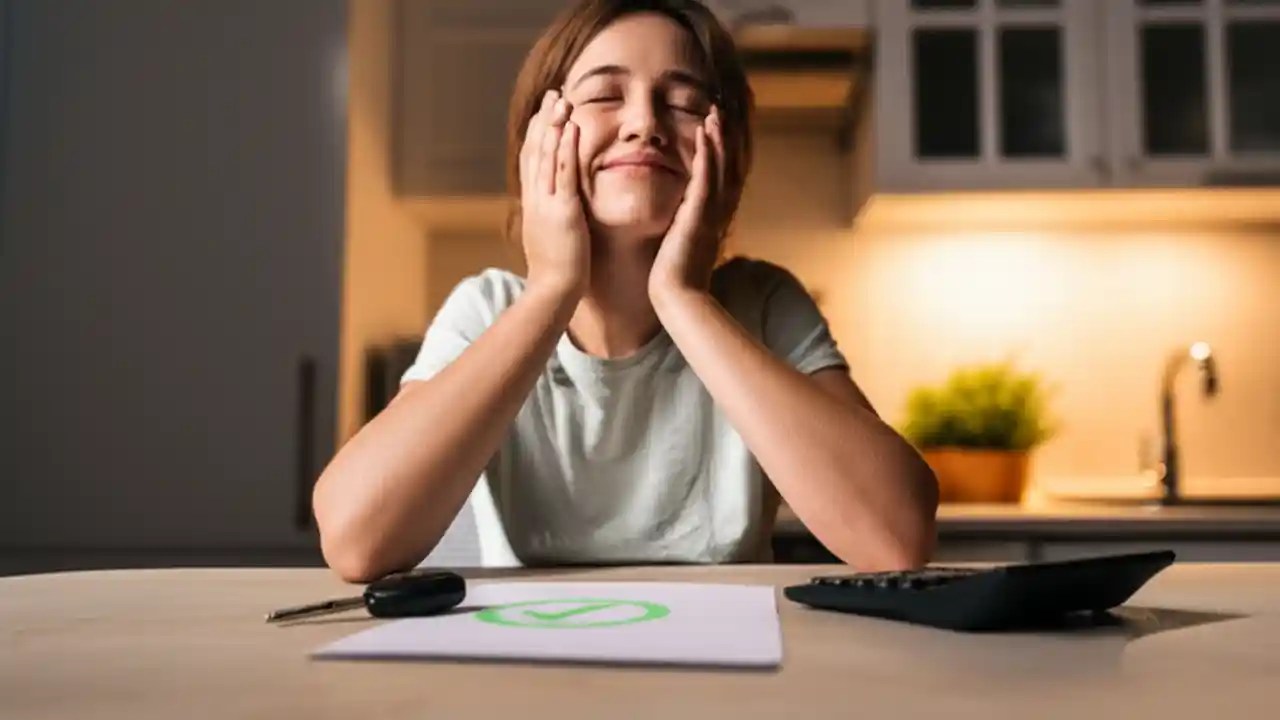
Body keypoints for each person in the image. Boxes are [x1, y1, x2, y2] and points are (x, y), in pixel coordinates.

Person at [314, 0, 938, 582]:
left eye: (686, 102)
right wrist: (553, 289)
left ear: (729, 153)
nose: (645, 123)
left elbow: (898, 538)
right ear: (540, 142)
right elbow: (355, 539)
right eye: (605, 95)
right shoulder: (490, 310)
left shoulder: (763, 306)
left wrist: (685, 300)